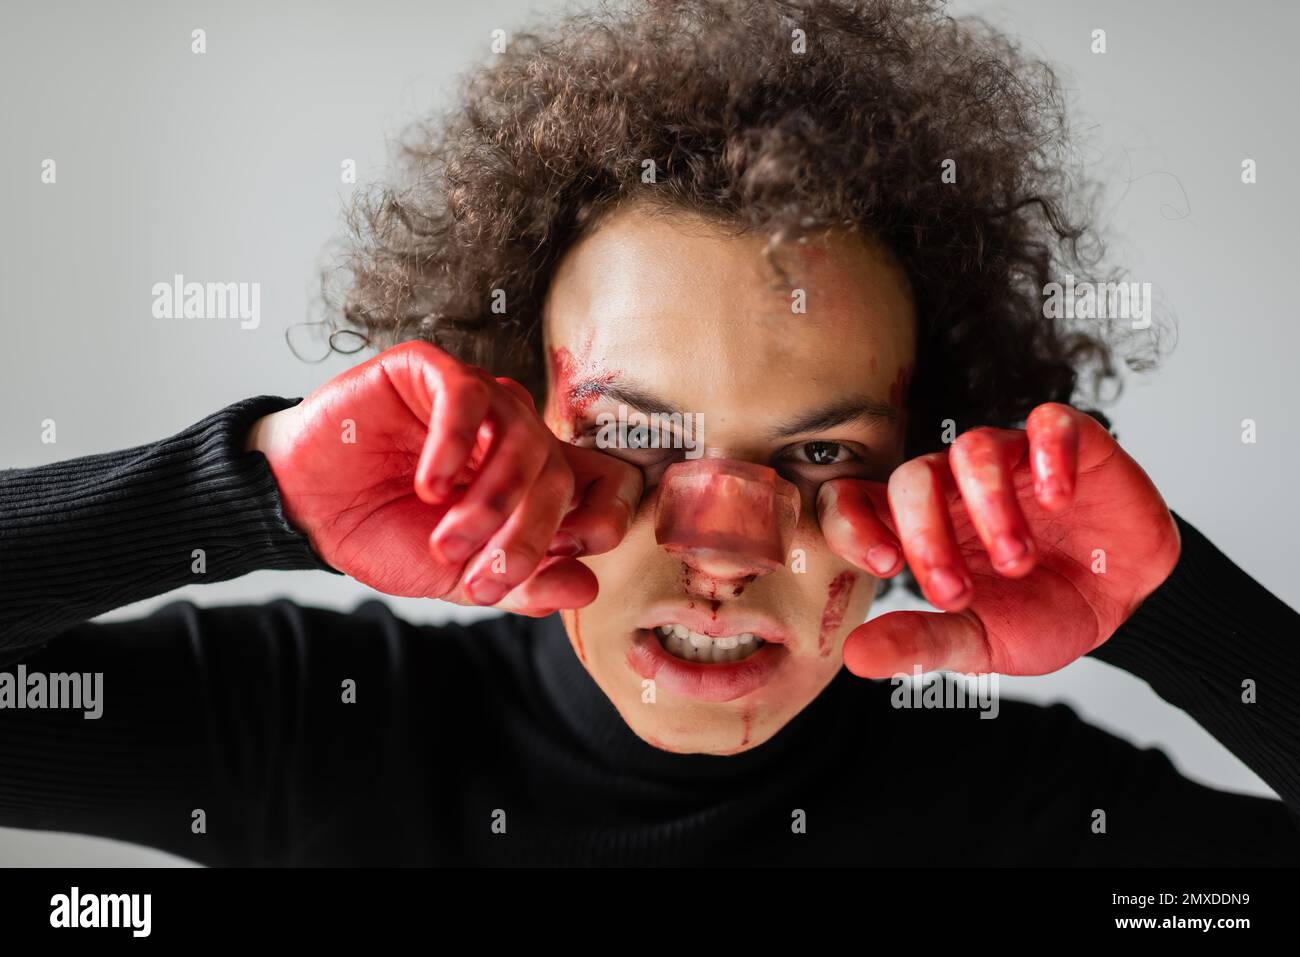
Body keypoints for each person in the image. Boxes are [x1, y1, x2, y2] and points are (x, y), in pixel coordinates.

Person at [2, 0, 1298, 866]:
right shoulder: (311, 731)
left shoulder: (1038, 819)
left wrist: (1167, 606)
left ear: (929, 468)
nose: (723, 549)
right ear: (510, 416)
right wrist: (249, 492)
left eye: (819, 454)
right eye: (638, 437)